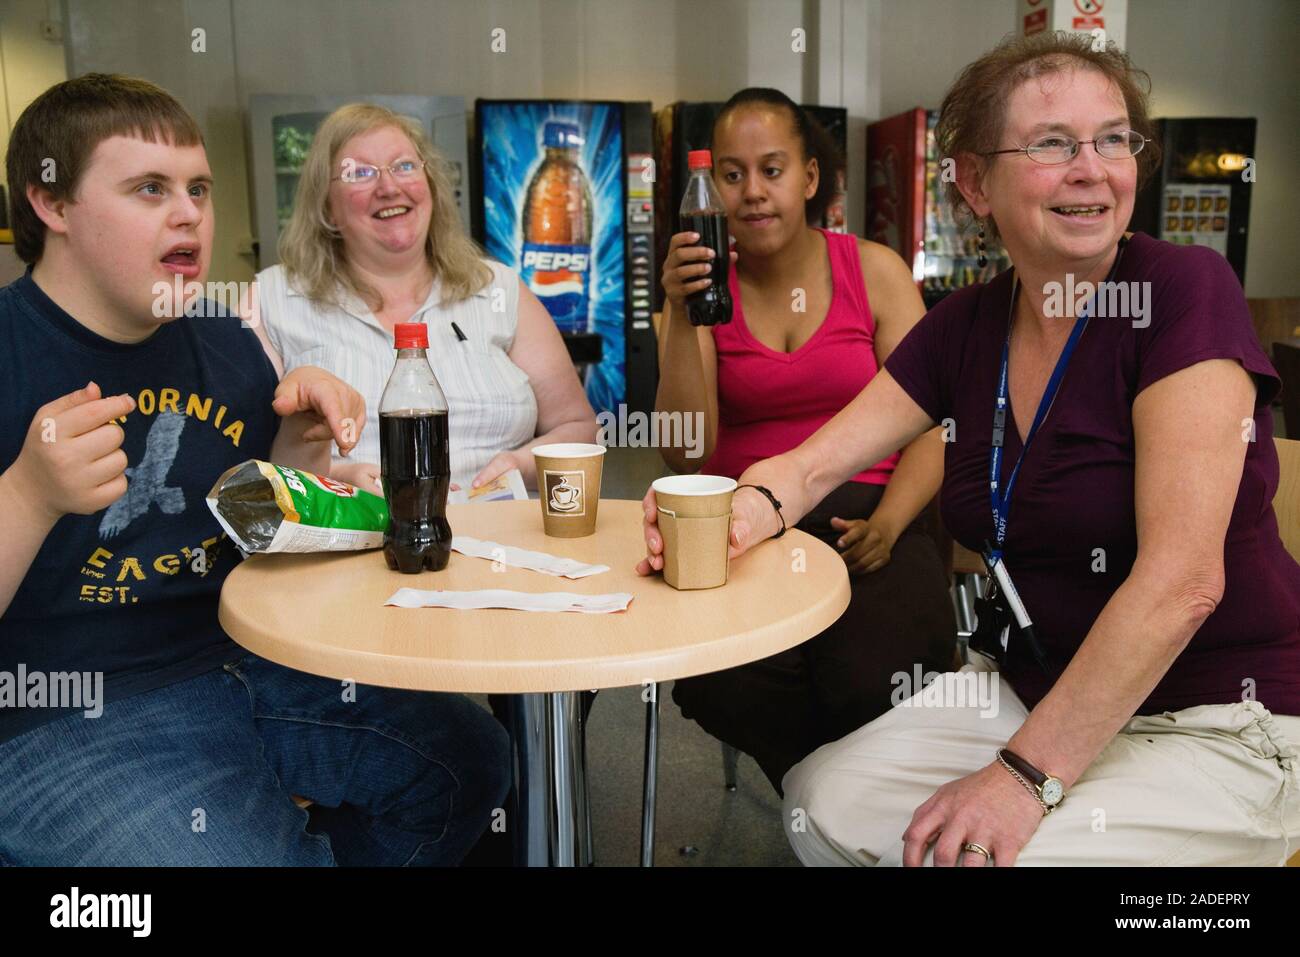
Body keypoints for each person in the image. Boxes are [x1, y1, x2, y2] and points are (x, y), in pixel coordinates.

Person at [640, 32, 1300, 866]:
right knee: (821, 800)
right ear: (974, 181)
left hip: (1217, 717)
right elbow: (809, 466)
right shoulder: (968, 323)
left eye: (1112, 139)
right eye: (1053, 144)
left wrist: (1021, 778)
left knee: (978, 857)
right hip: (1036, 687)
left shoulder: (1184, 292)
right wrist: (735, 515)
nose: (1092, 167)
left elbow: (1183, 583)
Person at [0, 74, 510, 866]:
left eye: (197, 188)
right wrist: (28, 494)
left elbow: (251, 522)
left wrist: (297, 454)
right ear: (53, 204)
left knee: (469, 763)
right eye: (148, 189)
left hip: (249, 664)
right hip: (62, 712)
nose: (189, 214)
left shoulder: (226, 339)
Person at [655, 88, 955, 794]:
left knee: (877, 674)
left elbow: (936, 422)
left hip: (872, 516)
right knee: (720, 679)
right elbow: (684, 448)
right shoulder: (704, 292)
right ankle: (826, 799)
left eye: (772, 169)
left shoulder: (874, 271)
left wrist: (888, 524)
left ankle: (830, 803)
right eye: (731, 174)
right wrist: (677, 312)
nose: (752, 192)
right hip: (744, 529)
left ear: (810, 179)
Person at [252, 103, 597, 496]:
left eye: (403, 166)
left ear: (431, 184)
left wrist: (521, 465)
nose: (388, 187)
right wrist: (336, 477)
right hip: (347, 543)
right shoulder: (272, 300)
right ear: (326, 206)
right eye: (359, 173)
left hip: (503, 540)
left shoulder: (499, 289)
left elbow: (579, 429)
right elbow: (241, 462)